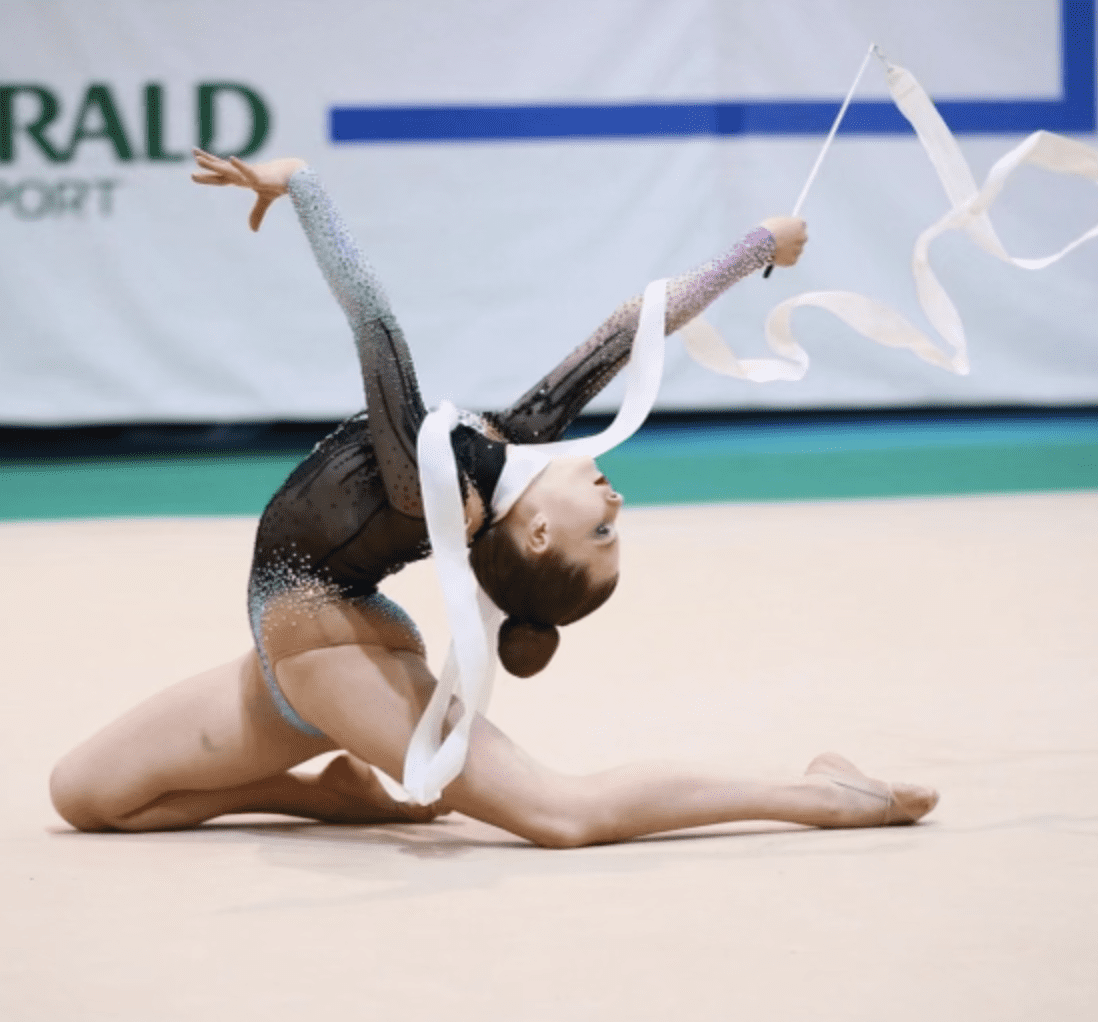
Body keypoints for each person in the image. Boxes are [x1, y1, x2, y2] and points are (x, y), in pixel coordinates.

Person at [48, 151, 938, 845]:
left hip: (330, 654)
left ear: (541, 533)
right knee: (87, 797)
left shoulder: (429, 478)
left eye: (604, 528)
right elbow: (628, 335)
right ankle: (334, 795)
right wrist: (753, 251)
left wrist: (304, 188)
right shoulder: (502, 445)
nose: (617, 502)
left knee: (560, 814)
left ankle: (824, 794)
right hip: (295, 662)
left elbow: (374, 320)